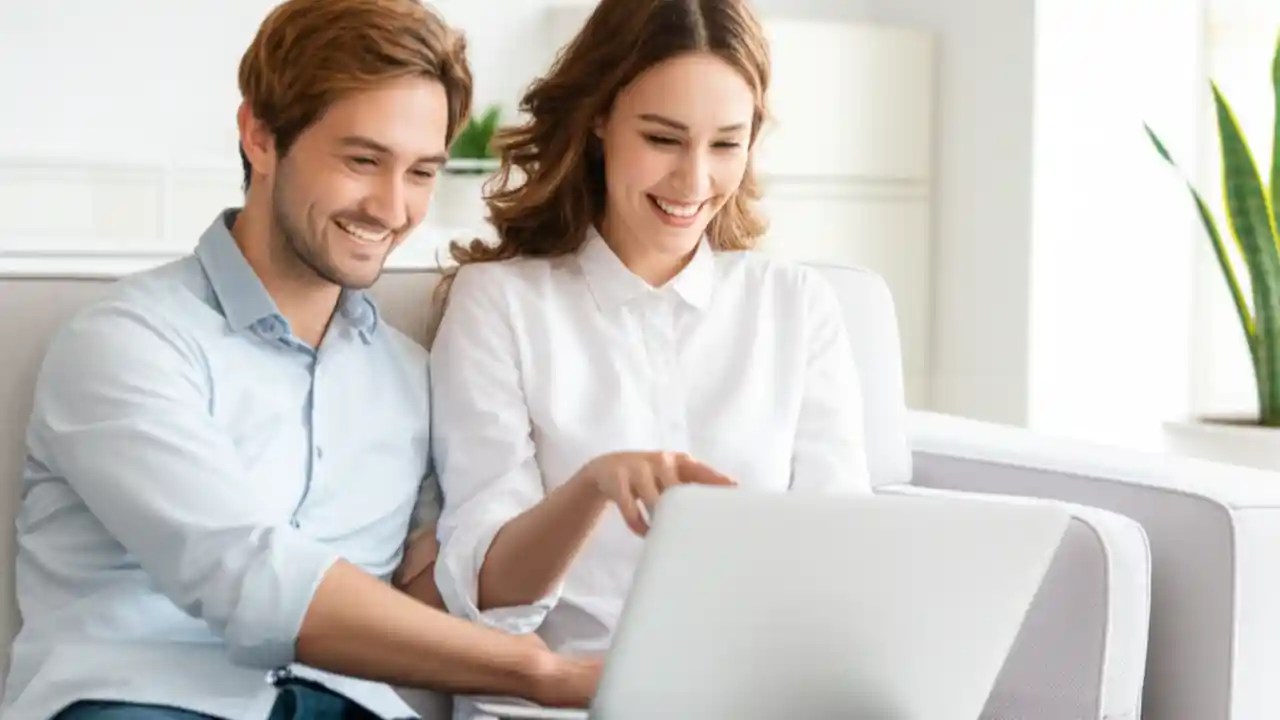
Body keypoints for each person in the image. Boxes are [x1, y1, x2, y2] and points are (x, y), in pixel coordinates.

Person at [0, 1, 600, 719]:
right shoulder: (127, 343)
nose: (391, 206)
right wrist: (535, 673)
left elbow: (425, 598)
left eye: (420, 172)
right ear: (259, 135)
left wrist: (582, 492)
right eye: (362, 159)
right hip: (145, 699)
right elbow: (249, 578)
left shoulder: (409, 376)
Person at [416, 0, 872, 710]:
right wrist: (593, 486)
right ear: (599, 119)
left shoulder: (795, 305)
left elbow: (845, 561)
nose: (694, 182)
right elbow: (486, 594)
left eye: (727, 144)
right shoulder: (499, 305)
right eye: (663, 139)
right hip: (569, 702)